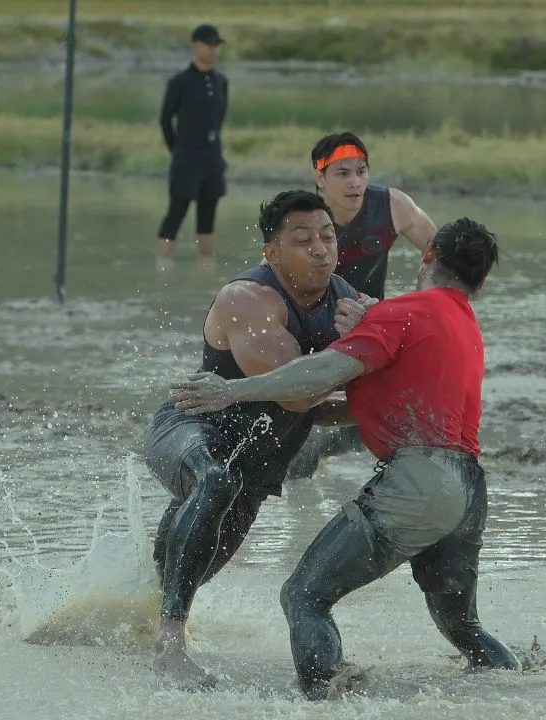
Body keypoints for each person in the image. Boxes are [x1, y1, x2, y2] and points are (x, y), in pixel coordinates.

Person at [171, 217, 522, 701]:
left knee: (304, 597)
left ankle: (327, 702)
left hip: (418, 485)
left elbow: (319, 372)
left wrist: (232, 390)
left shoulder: (403, 312)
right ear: (479, 282)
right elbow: (372, 400)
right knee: (464, 628)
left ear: (426, 255)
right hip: (469, 490)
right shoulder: (463, 324)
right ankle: (523, 689)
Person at [143, 189, 369, 690]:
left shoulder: (347, 300)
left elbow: (337, 406)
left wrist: (375, 388)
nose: (320, 249)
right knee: (214, 482)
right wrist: (356, 345)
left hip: (258, 464)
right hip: (191, 428)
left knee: (180, 570)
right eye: (303, 239)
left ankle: (104, 610)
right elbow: (295, 395)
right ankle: (169, 648)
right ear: (272, 252)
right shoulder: (248, 299)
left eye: (328, 236)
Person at [286, 131, 440, 480]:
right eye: (343, 174)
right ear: (320, 178)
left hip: (372, 327)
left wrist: (421, 306)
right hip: (311, 331)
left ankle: (328, 445)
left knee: (402, 414)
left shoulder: (392, 206)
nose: (355, 182)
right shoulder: (299, 220)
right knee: (300, 450)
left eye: (362, 171)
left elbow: (441, 259)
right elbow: (272, 282)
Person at [156, 24, 229, 270]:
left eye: (216, 45)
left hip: (212, 157)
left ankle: (206, 268)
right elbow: (165, 119)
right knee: (177, 211)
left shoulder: (221, 82)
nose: (213, 50)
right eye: (208, 44)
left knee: (208, 214)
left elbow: (219, 119)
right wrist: (177, 150)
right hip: (186, 156)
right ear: (194, 46)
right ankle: (163, 265)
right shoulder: (180, 82)